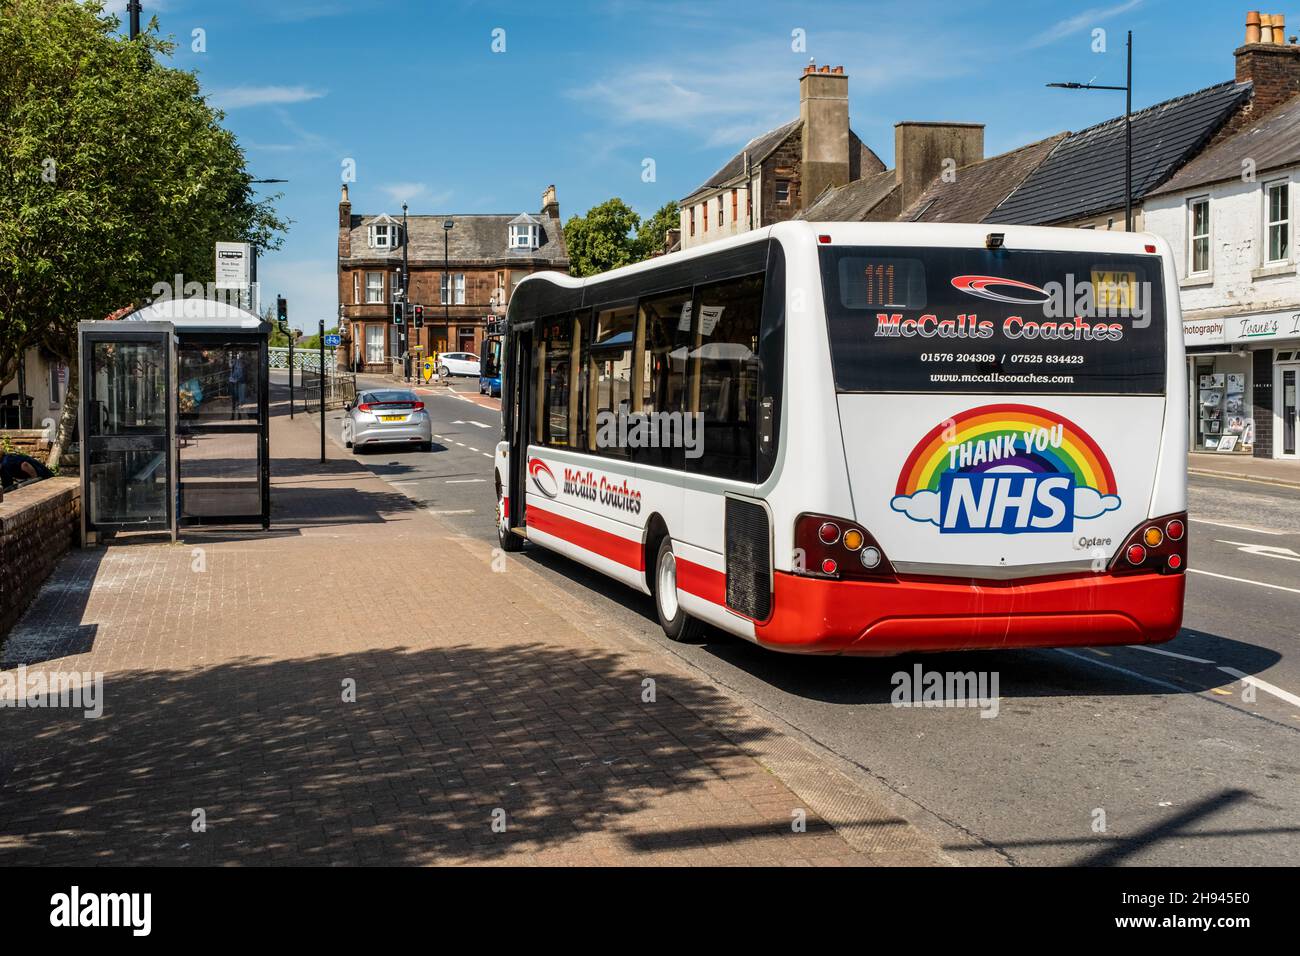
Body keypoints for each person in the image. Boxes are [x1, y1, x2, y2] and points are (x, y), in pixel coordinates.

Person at [229, 352, 246, 419]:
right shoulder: (237, 362)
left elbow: (241, 373)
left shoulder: (240, 362)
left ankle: (237, 415)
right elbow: (230, 367)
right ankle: (236, 415)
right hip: (236, 382)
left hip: (238, 382)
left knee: (237, 399)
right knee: (236, 399)